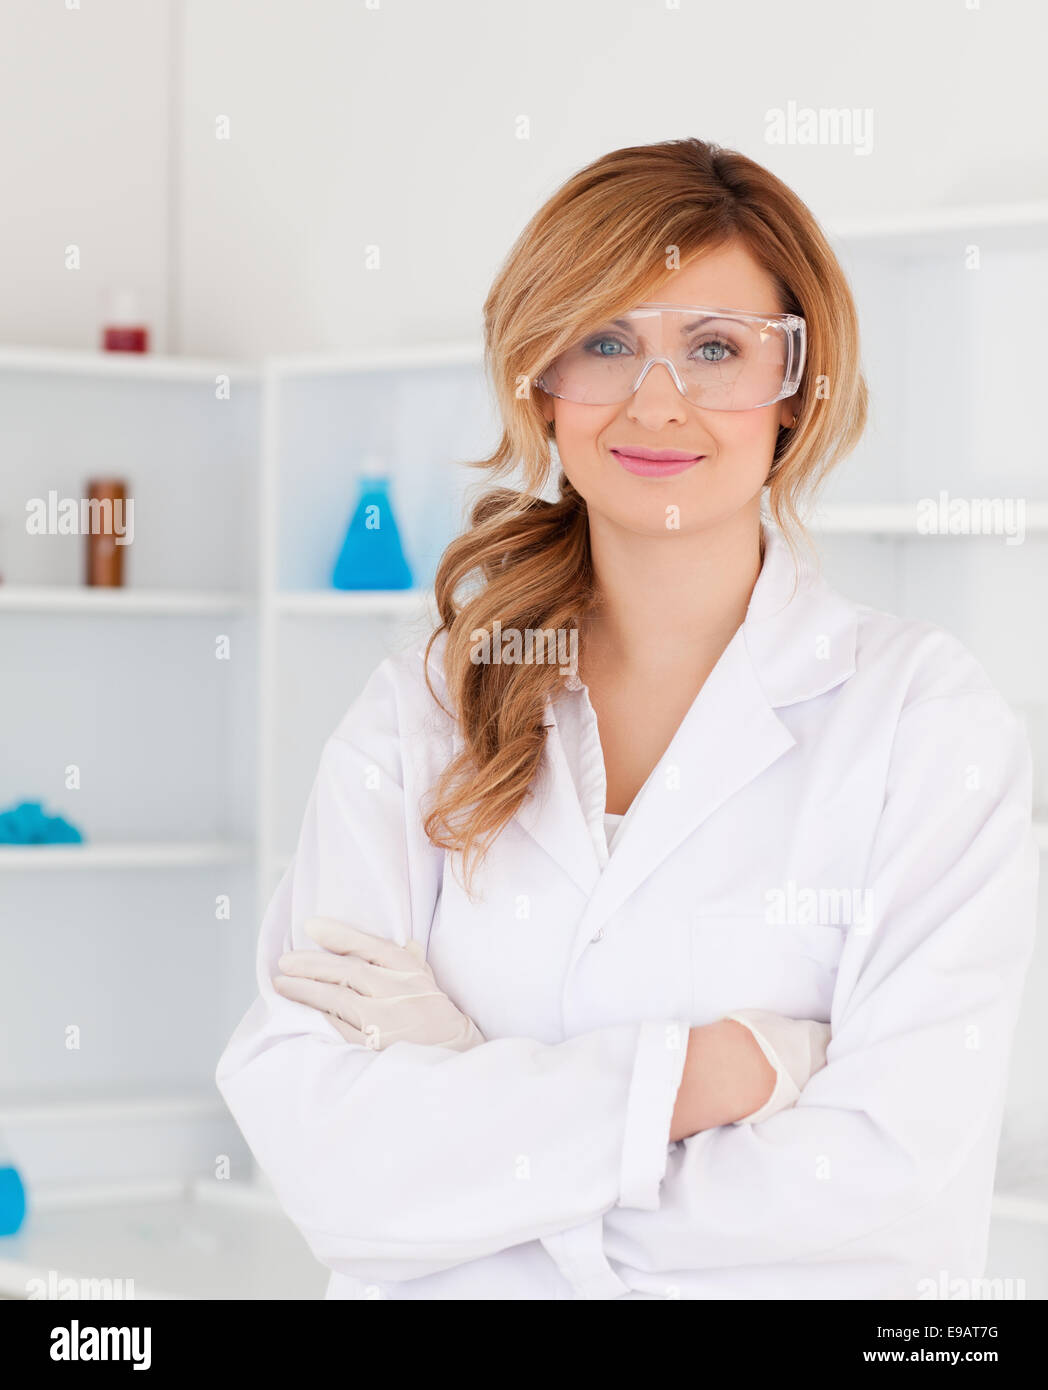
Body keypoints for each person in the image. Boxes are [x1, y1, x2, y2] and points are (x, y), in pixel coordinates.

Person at [215, 138, 1038, 1300]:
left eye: (715, 347)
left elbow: (884, 1202)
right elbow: (323, 1153)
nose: (657, 400)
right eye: (605, 341)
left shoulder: (922, 720)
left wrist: (476, 1132)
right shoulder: (426, 707)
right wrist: (712, 1074)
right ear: (538, 377)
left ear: (795, 385)